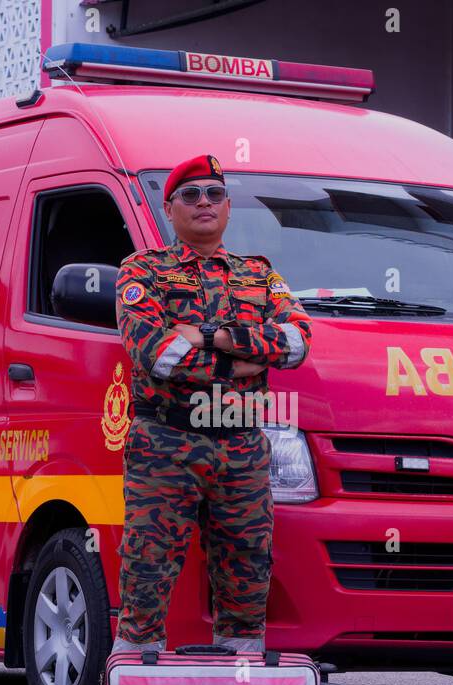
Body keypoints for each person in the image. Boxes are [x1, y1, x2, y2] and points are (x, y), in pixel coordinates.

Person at [111, 153, 313, 654]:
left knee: (247, 568)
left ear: (227, 208)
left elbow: (297, 342)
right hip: (166, 440)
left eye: (215, 194)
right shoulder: (142, 271)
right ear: (170, 208)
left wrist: (211, 337)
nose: (204, 203)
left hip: (242, 442)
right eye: (191, 195)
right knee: (148, 568)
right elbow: (157, 354)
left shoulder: (260, 276)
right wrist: (245, 359)